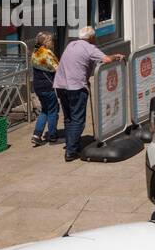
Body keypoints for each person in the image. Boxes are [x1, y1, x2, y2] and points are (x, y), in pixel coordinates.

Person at [53, 26, 125, 162]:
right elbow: (107, 60)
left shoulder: (71, 45)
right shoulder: (90, 48)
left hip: (60, 86)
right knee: (78, 120)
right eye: (94, 37)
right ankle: (71, 151)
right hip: (76, 87)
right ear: (91, 38)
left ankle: (71, 144)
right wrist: (116, 56)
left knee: (69, 118)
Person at [30, 32, 59, 147]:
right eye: (51, 41)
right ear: (46, 42)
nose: (52, 43)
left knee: (45, 110)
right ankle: (52, 136)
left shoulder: (35, 52)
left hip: (37, 86)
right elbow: (58, 68)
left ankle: (36, 135)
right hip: (48, 85)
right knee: (53, 110)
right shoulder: (47, 53)